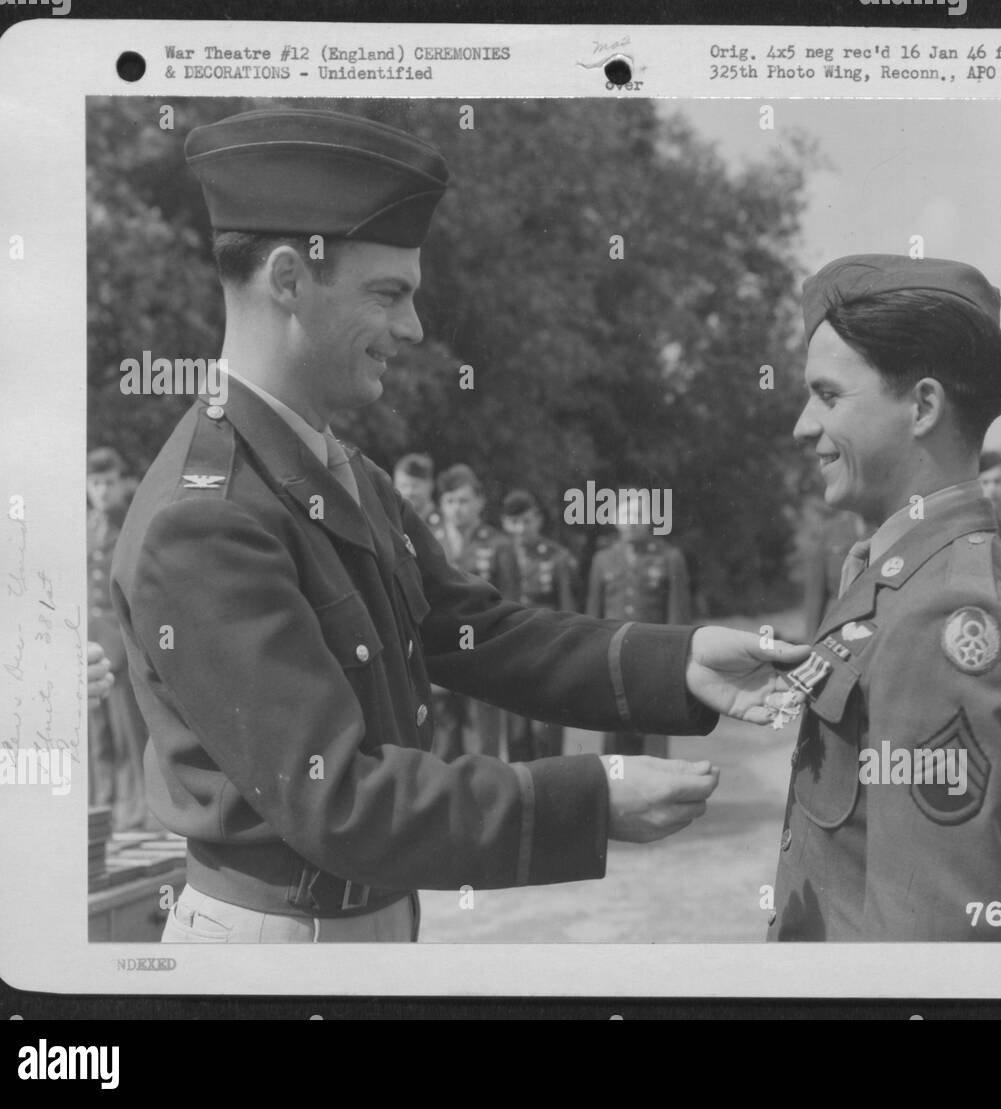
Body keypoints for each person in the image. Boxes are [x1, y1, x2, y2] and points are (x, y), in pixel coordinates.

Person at [111, 106, 805, 943]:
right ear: (290, 280)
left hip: (363, 924)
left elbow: (474, 628)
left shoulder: (332, 468)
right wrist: (591, 795)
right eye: (389, 294)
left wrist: (679, 659)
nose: (414, 327)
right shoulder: (205, 521)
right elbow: (341, 798)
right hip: (282, 946)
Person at [766, 254, 1001, 942]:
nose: (803, 427)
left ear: (923, 406)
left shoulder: (944, 615)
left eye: (828, 395)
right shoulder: (901, 571)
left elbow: (934, 948)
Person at [586, 492, 693, 759]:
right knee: (614, 729)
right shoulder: (602, 560)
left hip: (655, 658)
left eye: (637, 516)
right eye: (625, 517)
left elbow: (677, 615)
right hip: (613, 655)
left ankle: (657, 794)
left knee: (654, 727)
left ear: (649, 521)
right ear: (614, 521)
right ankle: (618, 791)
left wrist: (676, 660)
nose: (631, 523)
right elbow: (593, 613)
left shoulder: (669, 557)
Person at [428, 463, 519, 760]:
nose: (457, 509)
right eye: (451, 501)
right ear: (441, 504)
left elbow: (511, 603)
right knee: (442, 746)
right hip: (440, 655)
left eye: (464, 501)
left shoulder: (499, 545)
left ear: (480, 502)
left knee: (483, 747)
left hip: (483, 655)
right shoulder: (428, 541)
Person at [87, 447, 150, 831]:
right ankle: (102, 808)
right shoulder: (85, 527)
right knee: (98, 733)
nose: (103, 492)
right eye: (95, 484)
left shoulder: (133, 526)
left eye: (109, 483)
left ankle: (135, 809)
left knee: (129, 733)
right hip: (91, 644)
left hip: (122, 645)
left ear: (122, 483)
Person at [500, 489, 577, 762]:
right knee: (517, 733)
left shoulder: (557, 557)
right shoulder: (499, 554)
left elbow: (568, 610)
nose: (521, 529)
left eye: (527, 521)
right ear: (505, 523)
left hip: (547, 651)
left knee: (547, 732)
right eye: (515, 522)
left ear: (538, 520)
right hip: (511, 652)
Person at [802, 510, 865, 642]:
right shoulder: (831, 530)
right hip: (835, 627)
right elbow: (815, 595)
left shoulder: (887, 526)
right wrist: (811, 642)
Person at [392, 452, 444, 540]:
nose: (409, 492)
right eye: (403, 486)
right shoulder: (391, 523)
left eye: (415, 486)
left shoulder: (447, 524)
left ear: (430, 485)